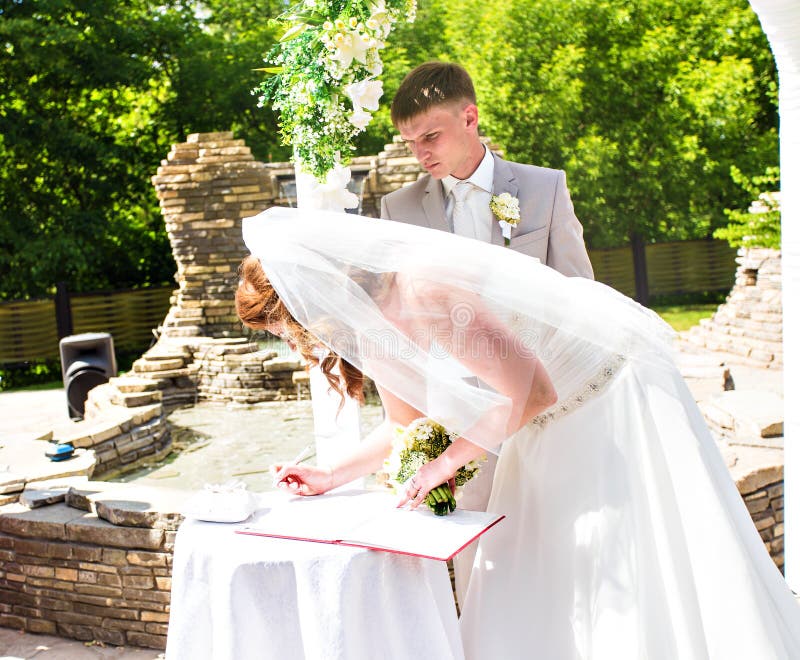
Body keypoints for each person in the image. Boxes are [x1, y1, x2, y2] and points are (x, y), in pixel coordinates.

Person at [237, 206, 800, 659]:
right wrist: (328, 475)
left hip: (607, 399)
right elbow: (402, 425)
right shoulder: (370, 330)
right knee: (527, 580)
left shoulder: (424, 289)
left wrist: (445, 463)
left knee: (626, 571)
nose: (298, 342)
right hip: (539, 424)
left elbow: (533, 393)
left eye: (289, 327)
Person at [381, 62, 594, 596]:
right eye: (410, 143)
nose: (420, 153)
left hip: (548, 404)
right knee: (484, 562)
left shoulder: (544, 187)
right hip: (463, 410)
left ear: (470, 117)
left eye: (430, 136)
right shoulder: (398, 209)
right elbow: (406, 325)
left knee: (566, 550)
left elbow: (580, 296)